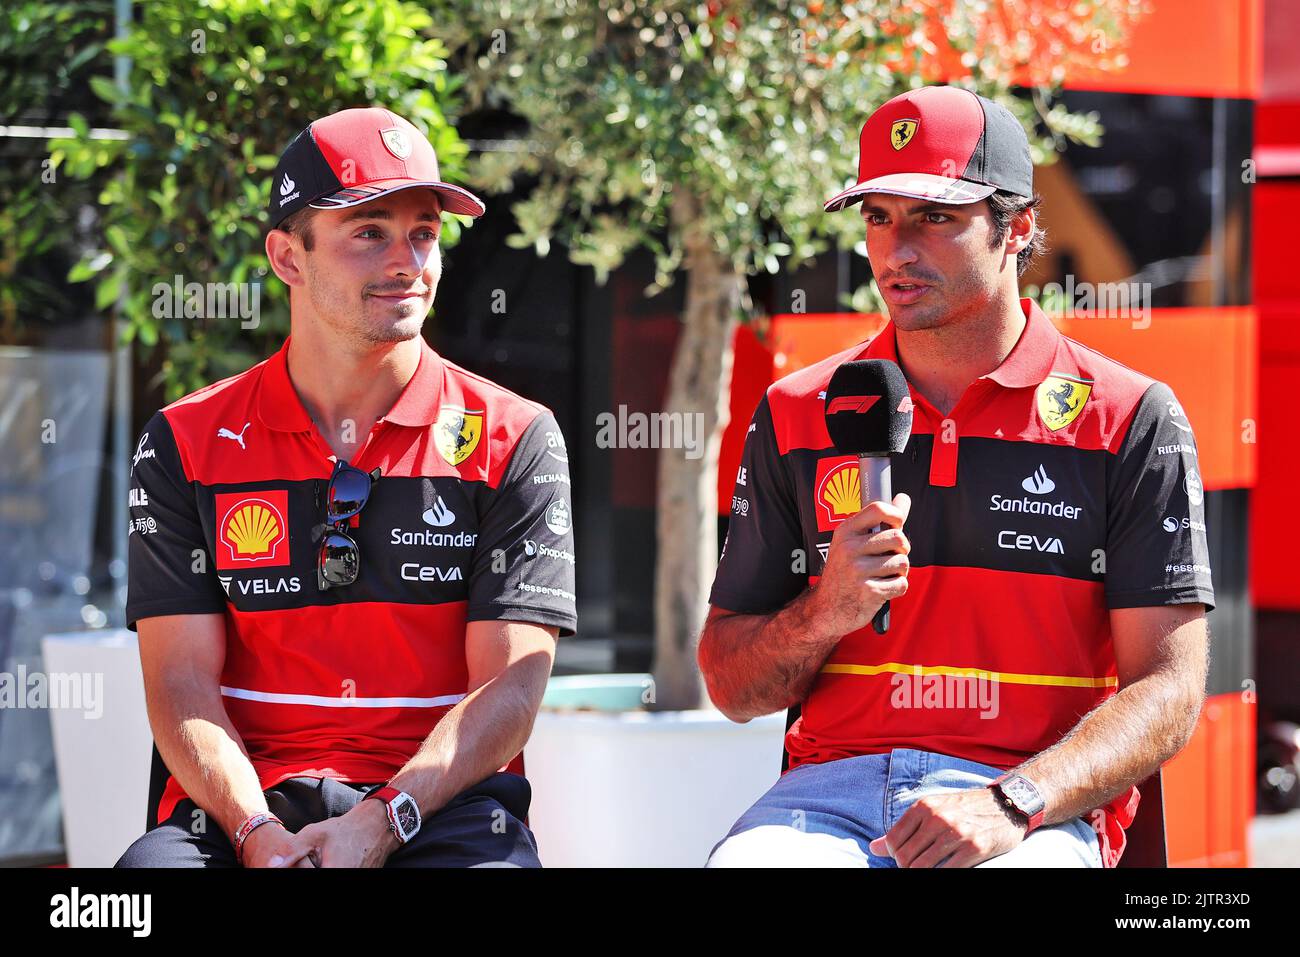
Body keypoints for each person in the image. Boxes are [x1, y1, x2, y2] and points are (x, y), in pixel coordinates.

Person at [700, 85, 1212, 868]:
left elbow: (1169, 693)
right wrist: (825, 609)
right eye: (878, 217)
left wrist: (1014, 801)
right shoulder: (796, 409)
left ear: (1019, 229)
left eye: (934, 216)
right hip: (822, 805)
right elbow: (735, 689)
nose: (895, 250)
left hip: (1028, 806)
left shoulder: (1129, 416)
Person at [117, 107, 577, 868]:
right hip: (241, 810)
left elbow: (509, 693)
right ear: (287, 257)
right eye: (370, 231)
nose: (408, 261)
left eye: (424, 233)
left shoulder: (515, 436)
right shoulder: (185, 441)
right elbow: (180, 685)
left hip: (437, 807)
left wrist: (382, 818)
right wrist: (257, 831)